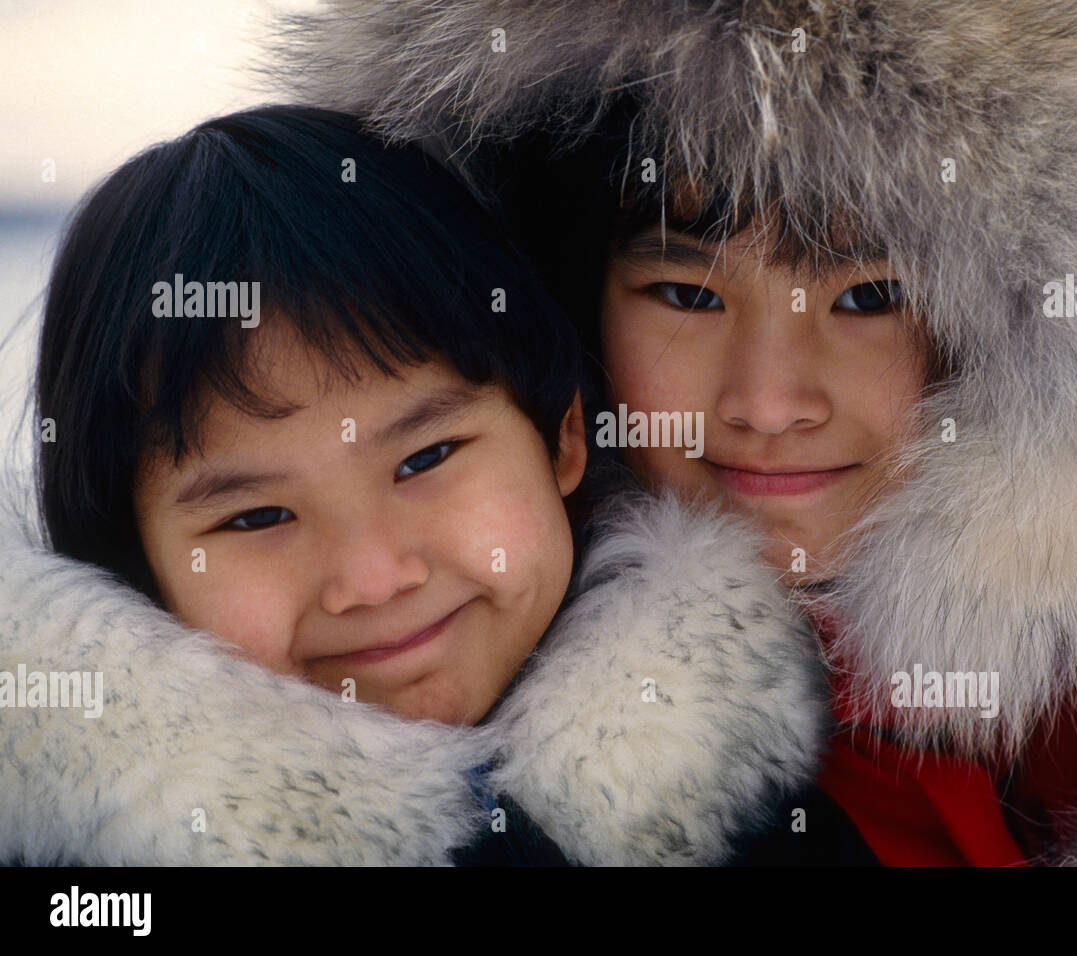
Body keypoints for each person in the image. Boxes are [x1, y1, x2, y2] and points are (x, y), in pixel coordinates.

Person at [277, 0, 1077, 864]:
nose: (767, 403)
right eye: (684, 292)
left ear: (1008, 318)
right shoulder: (460, 573)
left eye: (866, 299)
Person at [0, 105, 874, 866]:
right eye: (256, 515)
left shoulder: (764, 820)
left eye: (424, 460)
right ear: (132, 563)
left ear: (562, 436)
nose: (375, 576)